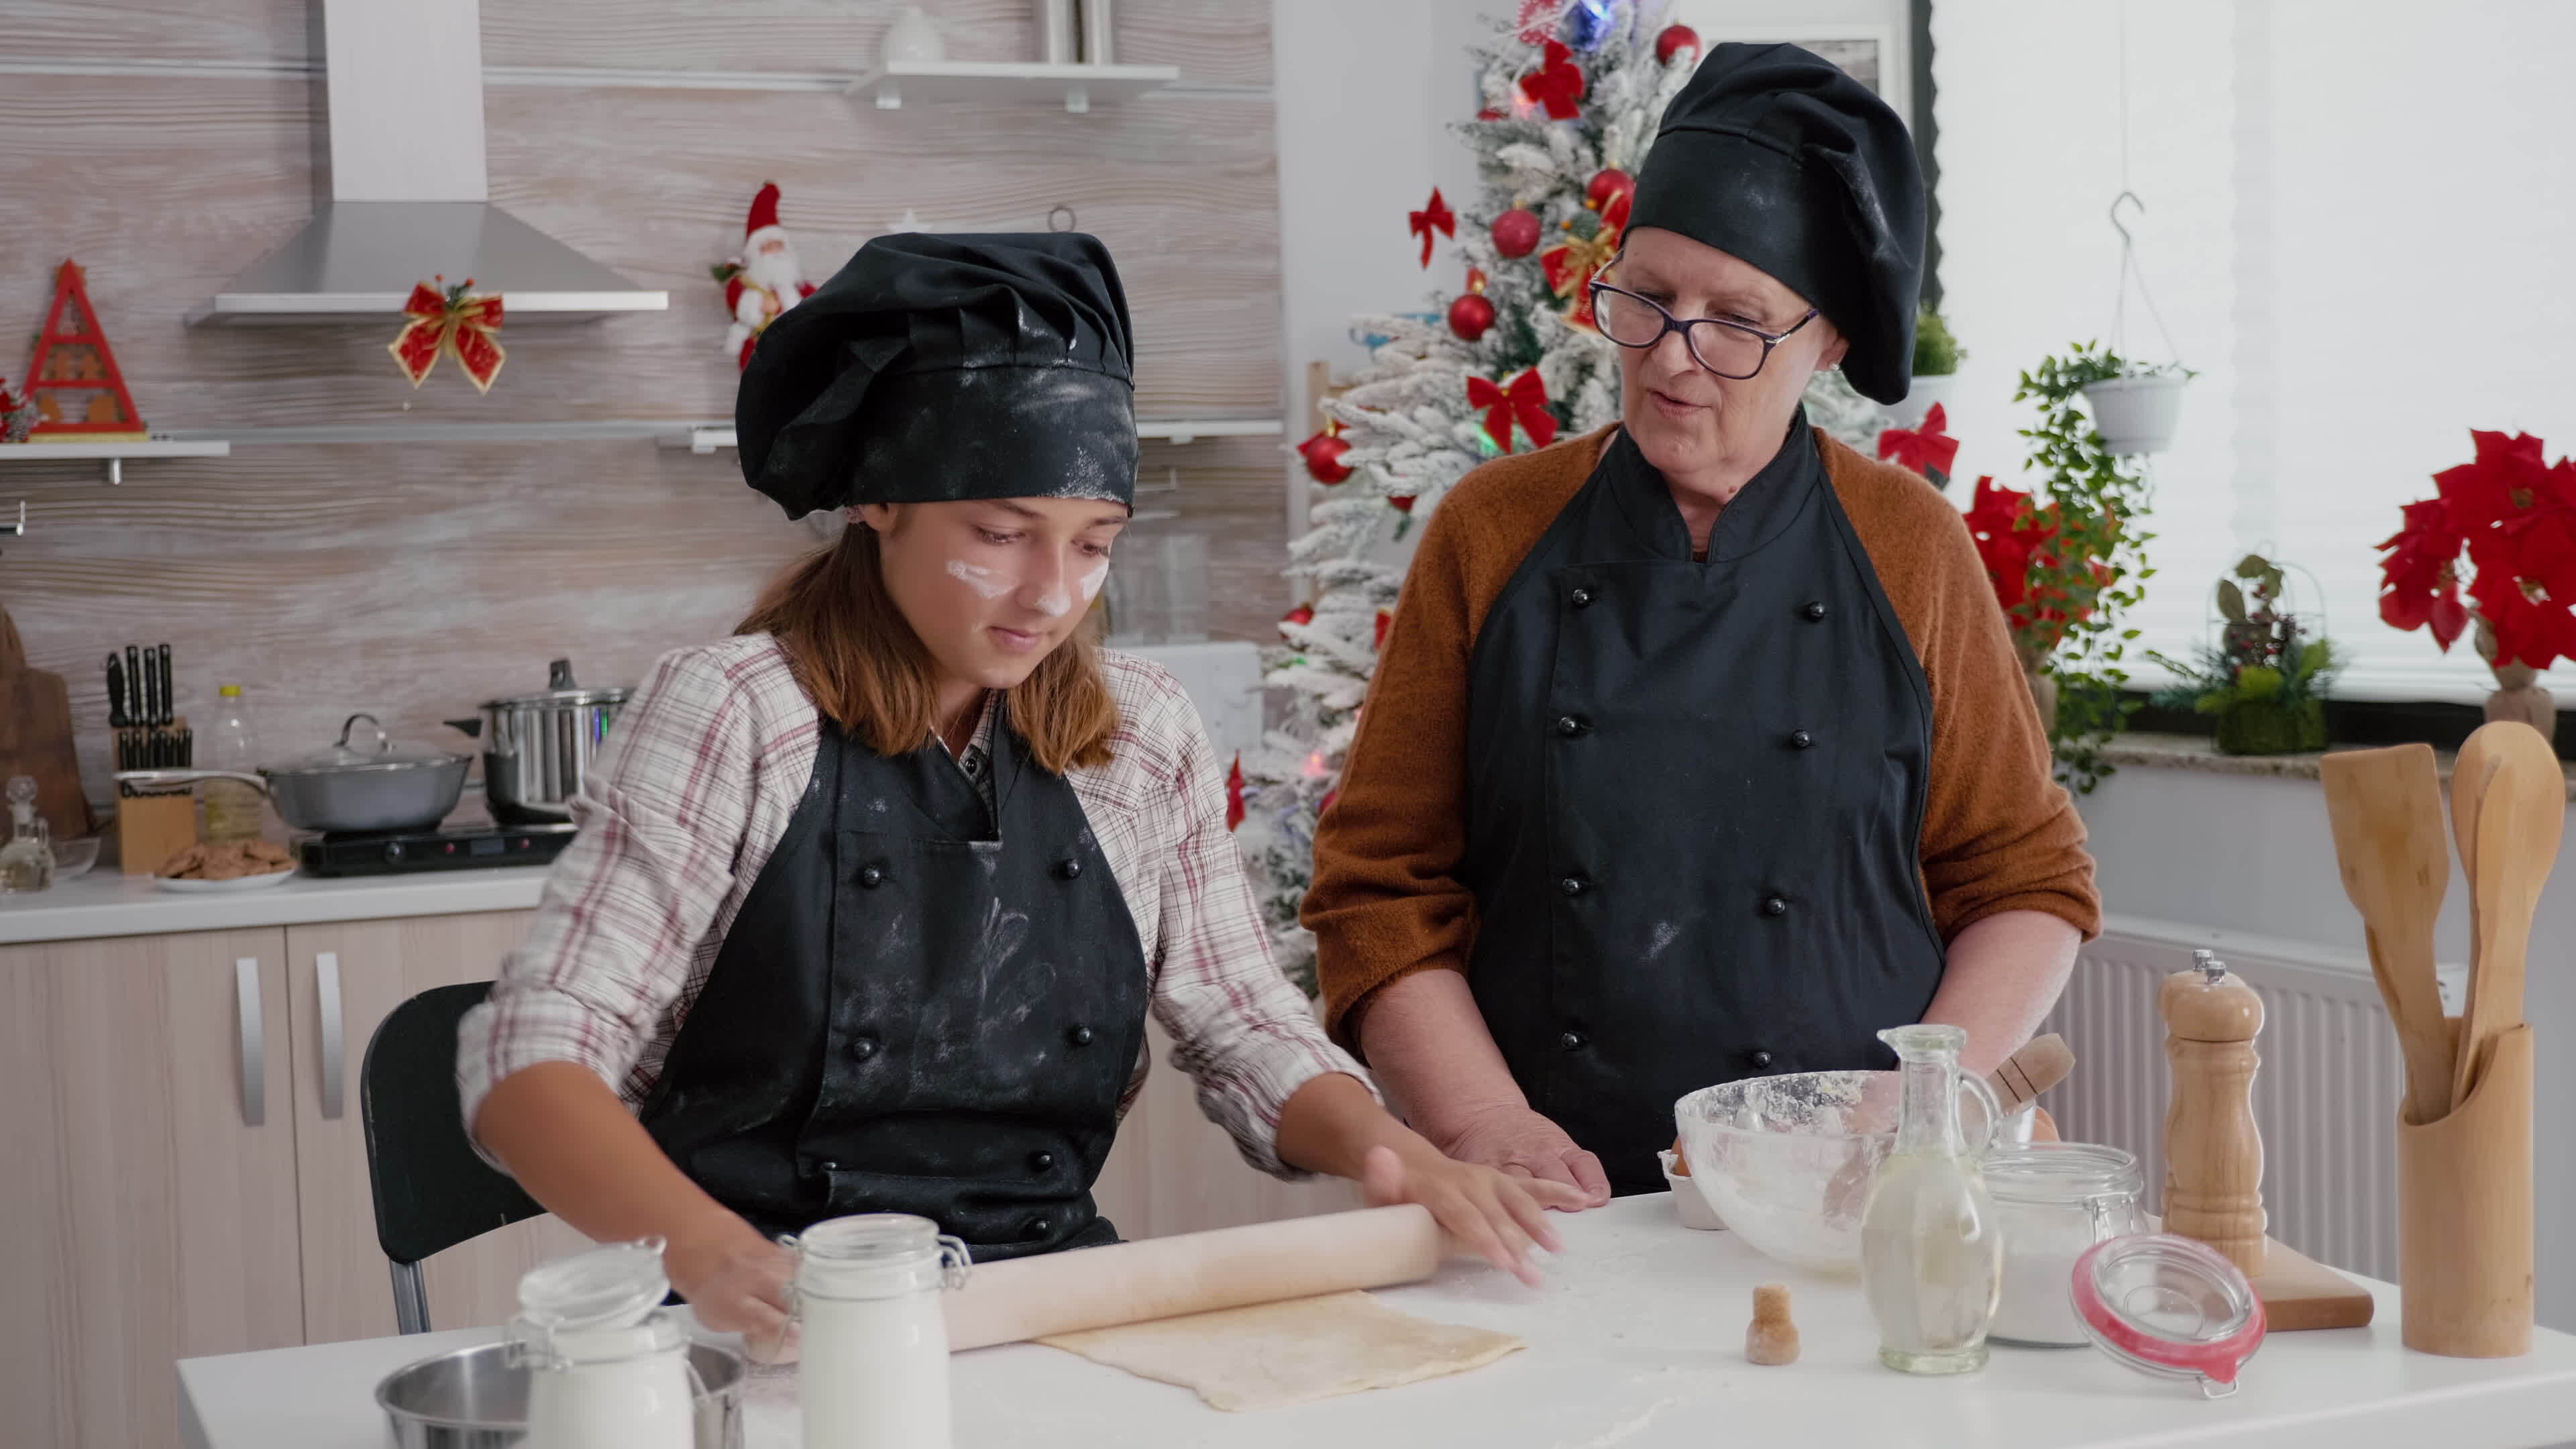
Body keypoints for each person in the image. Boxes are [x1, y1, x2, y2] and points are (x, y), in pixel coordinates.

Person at [460, 233, 1576, 1353]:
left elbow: (1241, 1018)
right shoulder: (737, 712)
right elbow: (531, 1055)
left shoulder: (1141, 733)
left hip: (1045, 1301)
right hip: (765, 1314)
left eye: (1093, 545)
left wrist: (1396, 1153)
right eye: (1001, 534)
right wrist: (703, 1250)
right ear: (878, 501)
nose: (1051, 595)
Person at [1303, 45, 2102, 1203]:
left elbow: (2024, 877)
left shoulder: (1909, 542)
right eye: (1647, 298)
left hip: (1859, 1188)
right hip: (1557, 1195)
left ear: (1827, 341)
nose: (1674, 355)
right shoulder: (1492, 529)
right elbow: (1378, 890)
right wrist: (1483, 1124)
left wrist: (1919, 1107)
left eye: (1737, 320)